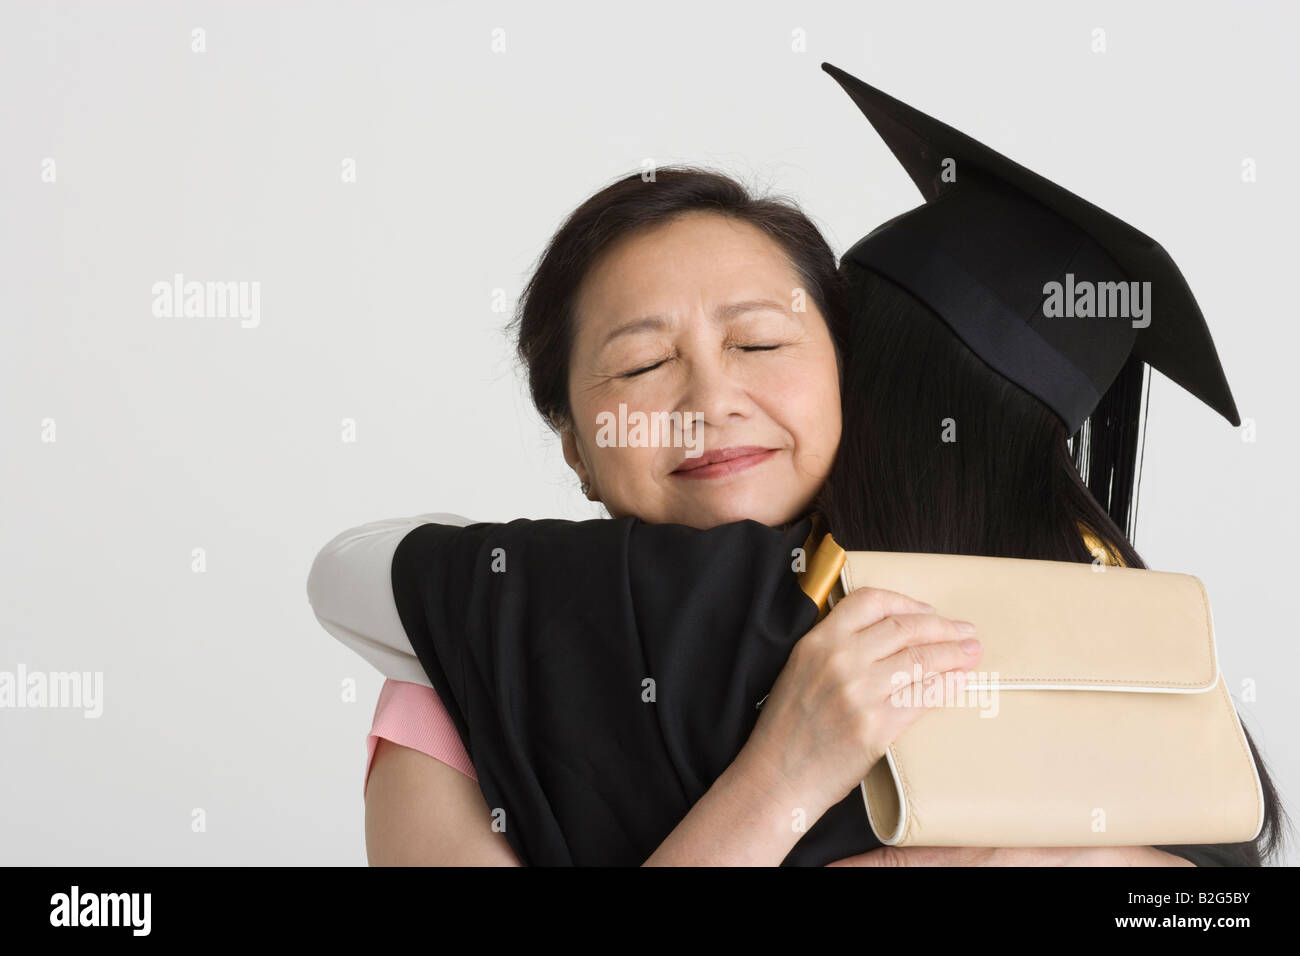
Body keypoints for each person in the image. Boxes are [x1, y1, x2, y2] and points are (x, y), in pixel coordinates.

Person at [308, 66, 1288, 865]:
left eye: (763, 344)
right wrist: (777, 781)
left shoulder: (1042, 646)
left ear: (847, 377)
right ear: (573, 441)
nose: (709, 399)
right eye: (642, 362)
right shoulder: (456, 685)